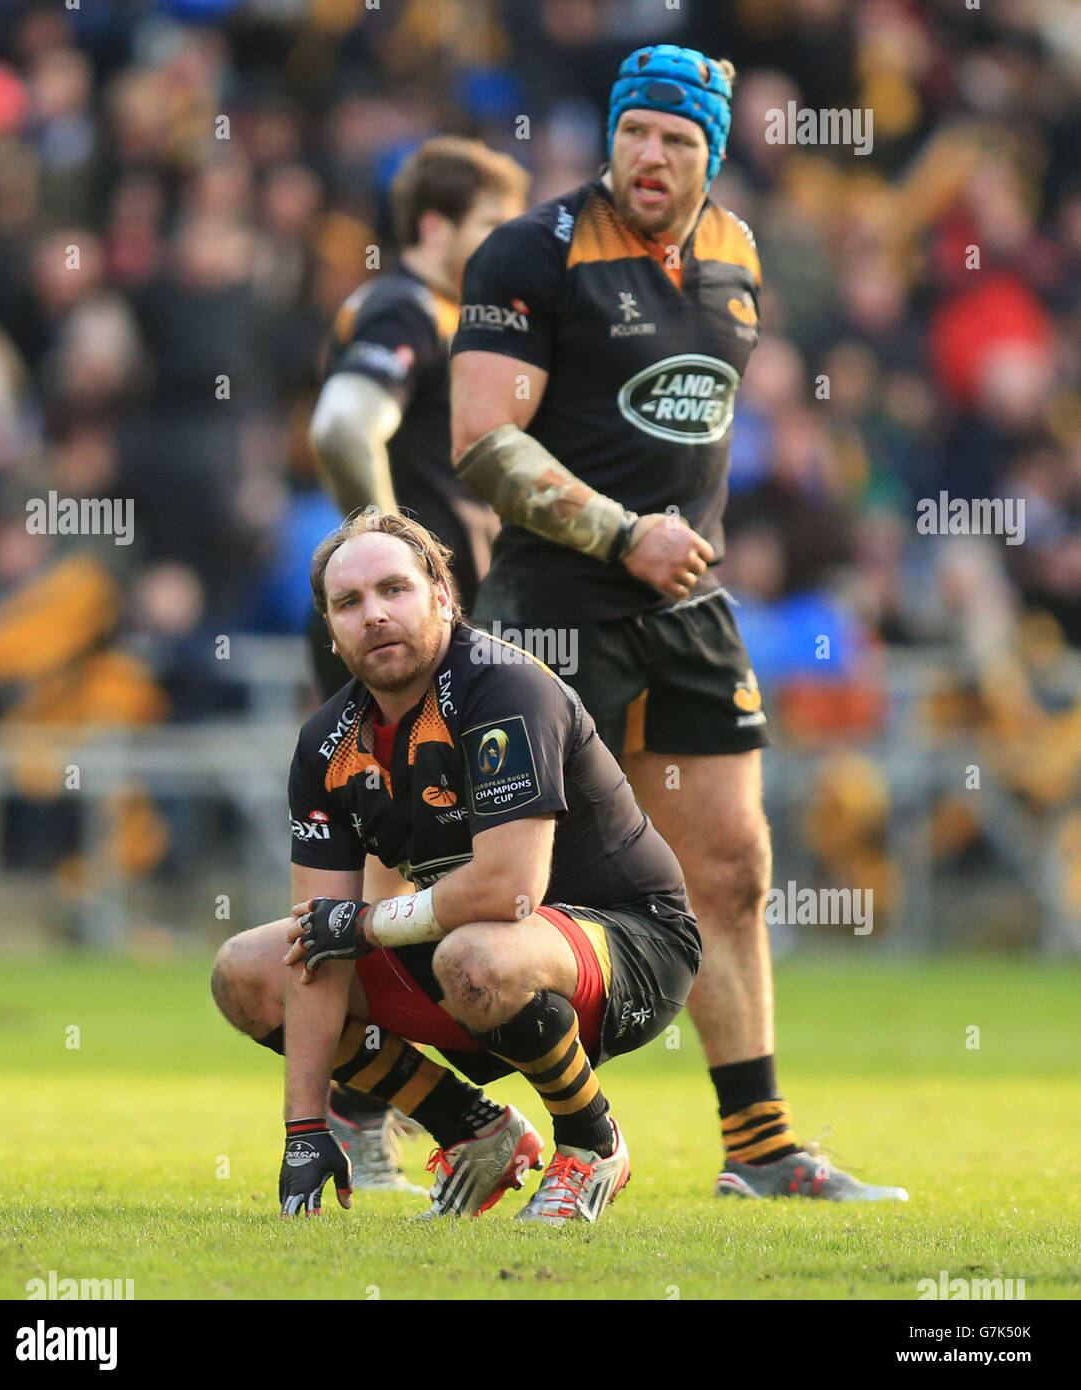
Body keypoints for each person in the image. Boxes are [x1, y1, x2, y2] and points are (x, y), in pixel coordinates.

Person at [449, 44, 907, 1201]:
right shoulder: (528, 253)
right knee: (508, 884)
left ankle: (757, 1145)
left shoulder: (740, 255)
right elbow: (481, 441)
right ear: (609, 135)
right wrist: (618, 530)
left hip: (684, 600)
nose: (649, 157)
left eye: (677, 140)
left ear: (713, 154)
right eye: (634, 132)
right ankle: (424, 1112)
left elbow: (685, 427)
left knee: (735, 864)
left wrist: (684, 535)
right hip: (556, 604)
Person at [209, 511, 702, 1223]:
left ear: (441, 595)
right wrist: (304, 1128)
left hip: (632, 947)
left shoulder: (503, 687)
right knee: (247, 972)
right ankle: (475, 1131)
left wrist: (368, 924)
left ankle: (592, 1143)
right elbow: (314, 941)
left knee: (476, 953)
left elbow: (509, 889)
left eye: (394, 590)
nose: (374, 615)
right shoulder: (325, 744)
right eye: (349, 603)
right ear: (329, 626)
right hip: (472, 957)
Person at [304, 137, 529, 1189]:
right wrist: (387, 551)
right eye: (489, 230)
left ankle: (371, 1106)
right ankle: (356, 1114)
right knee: (381, 874)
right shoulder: (406, 309)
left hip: (408, 631)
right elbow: (344, 421)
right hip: (397, 636)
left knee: (399, 875)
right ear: (437, 228)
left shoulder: (452, 326)